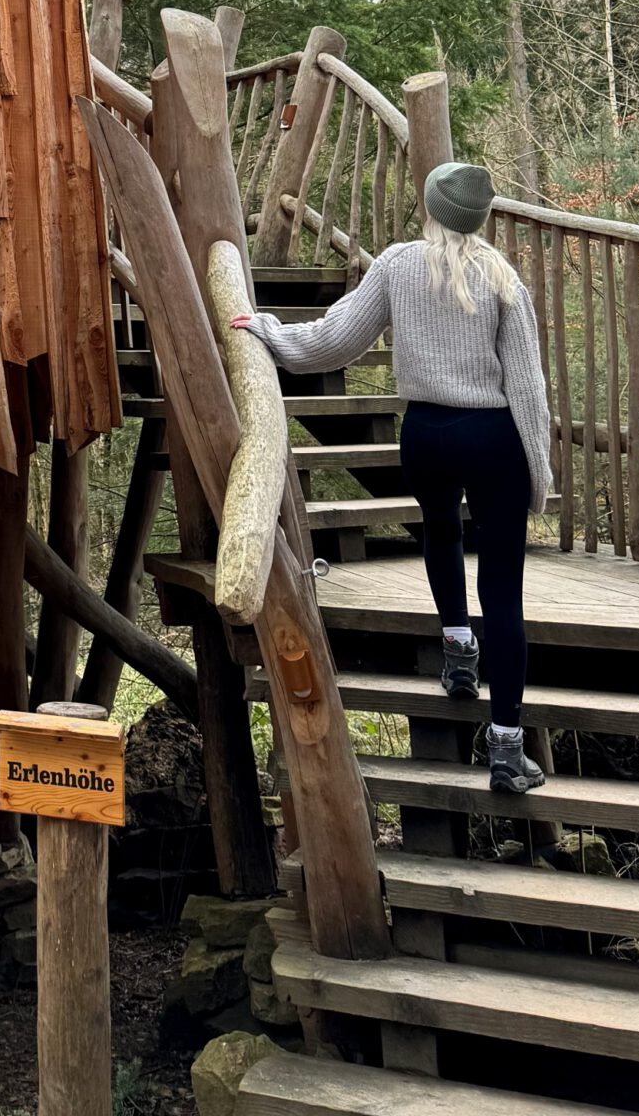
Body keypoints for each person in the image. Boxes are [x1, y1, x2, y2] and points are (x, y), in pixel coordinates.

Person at [231, 160, 553, 795]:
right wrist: (536, 471)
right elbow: (528, 388)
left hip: (426, 434)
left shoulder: (398, 265)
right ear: (480, 219)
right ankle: (508, 753)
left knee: (438, 531)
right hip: (492, 438)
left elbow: (332, 341)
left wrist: (266, 331)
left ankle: (458, 652)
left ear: (432, 208)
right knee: (505, 590)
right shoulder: (502, 279)